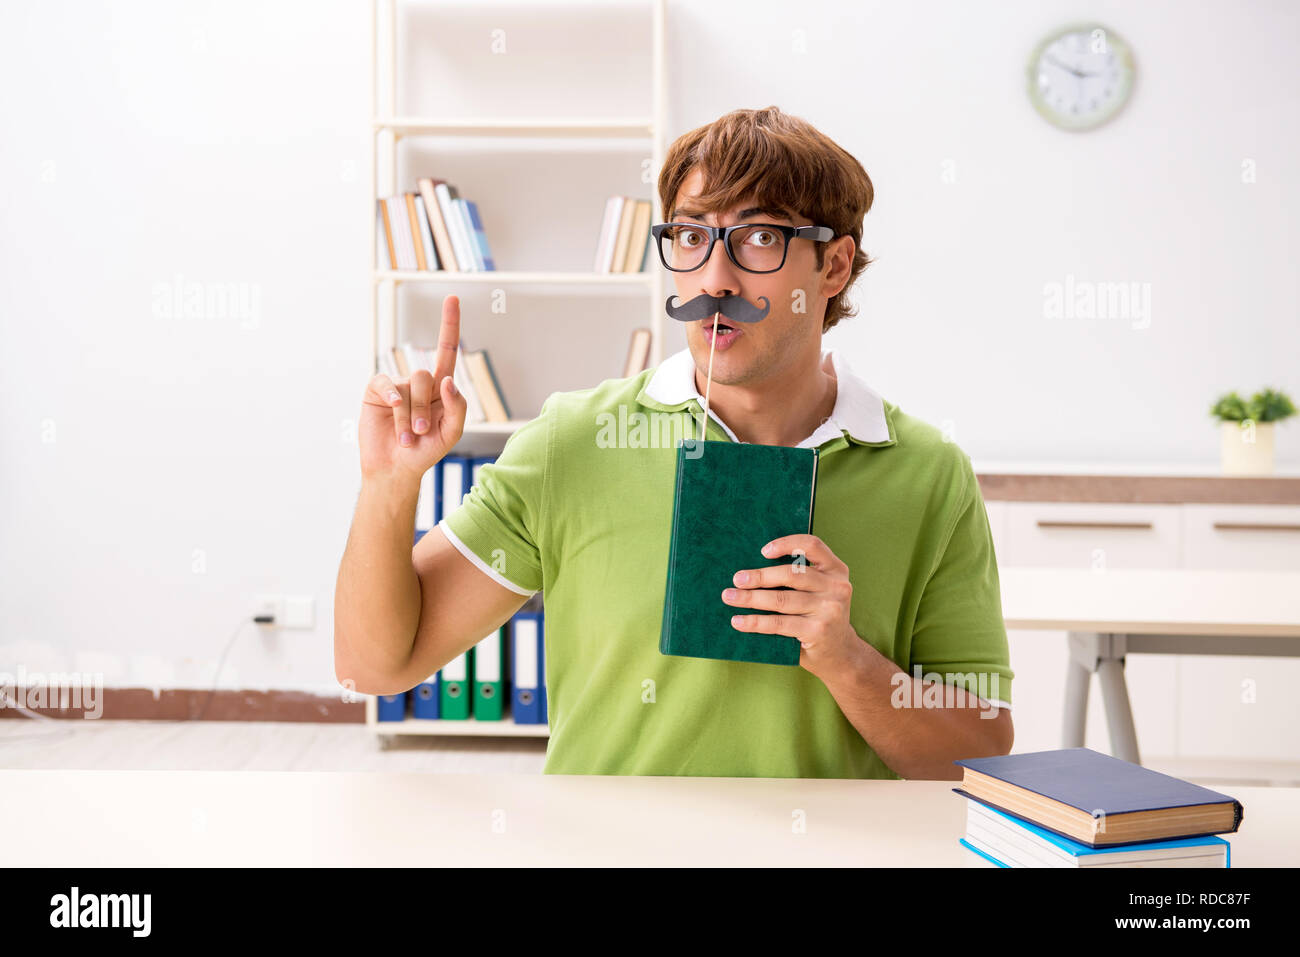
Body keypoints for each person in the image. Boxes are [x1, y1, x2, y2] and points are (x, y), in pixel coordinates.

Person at [335, 106, 1014, 779]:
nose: (715, 279)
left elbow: (979, 753)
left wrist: (846, 658)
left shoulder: (928, 473)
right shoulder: (573, 443)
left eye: (757, 240)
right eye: (691, 237)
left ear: (832, 267)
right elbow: (372, 665)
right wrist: (389, 486)